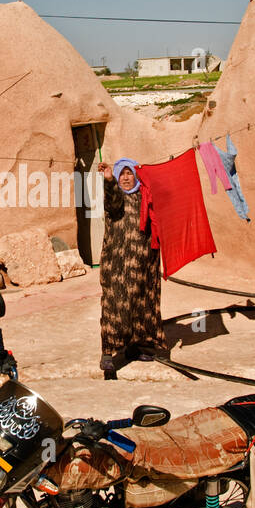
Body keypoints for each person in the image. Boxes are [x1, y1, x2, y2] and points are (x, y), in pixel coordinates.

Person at [97, 158, 165, 379]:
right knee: (114, 306)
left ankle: (138, 346)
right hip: (116, 265)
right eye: (122, 174)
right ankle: (109, 354)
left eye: (130, 173)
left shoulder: (144, 196)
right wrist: (109, 180)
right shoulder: (115, 199)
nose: (126, 178)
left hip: (143, 263)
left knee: (142, 302)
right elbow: (113, 201)